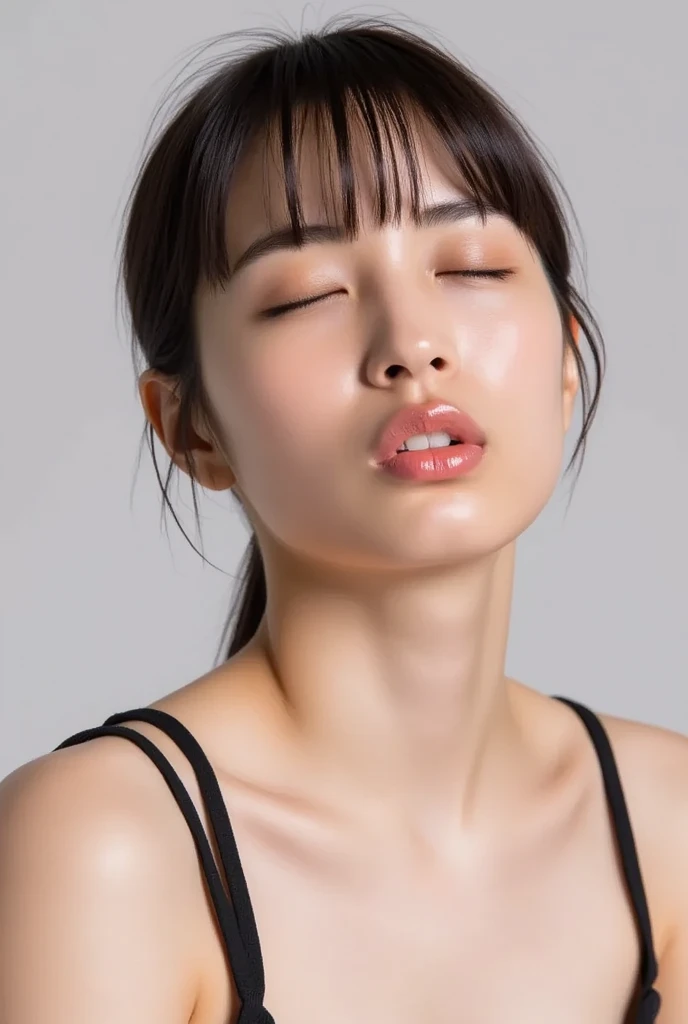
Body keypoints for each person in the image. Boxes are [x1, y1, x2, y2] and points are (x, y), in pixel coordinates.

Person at [0, 16, 685, 1024]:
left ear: (569, 361)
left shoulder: (670, 824)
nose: (411, 343)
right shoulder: (104, 846)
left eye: (472, 270)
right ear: (189, 427)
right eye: (307, 293)